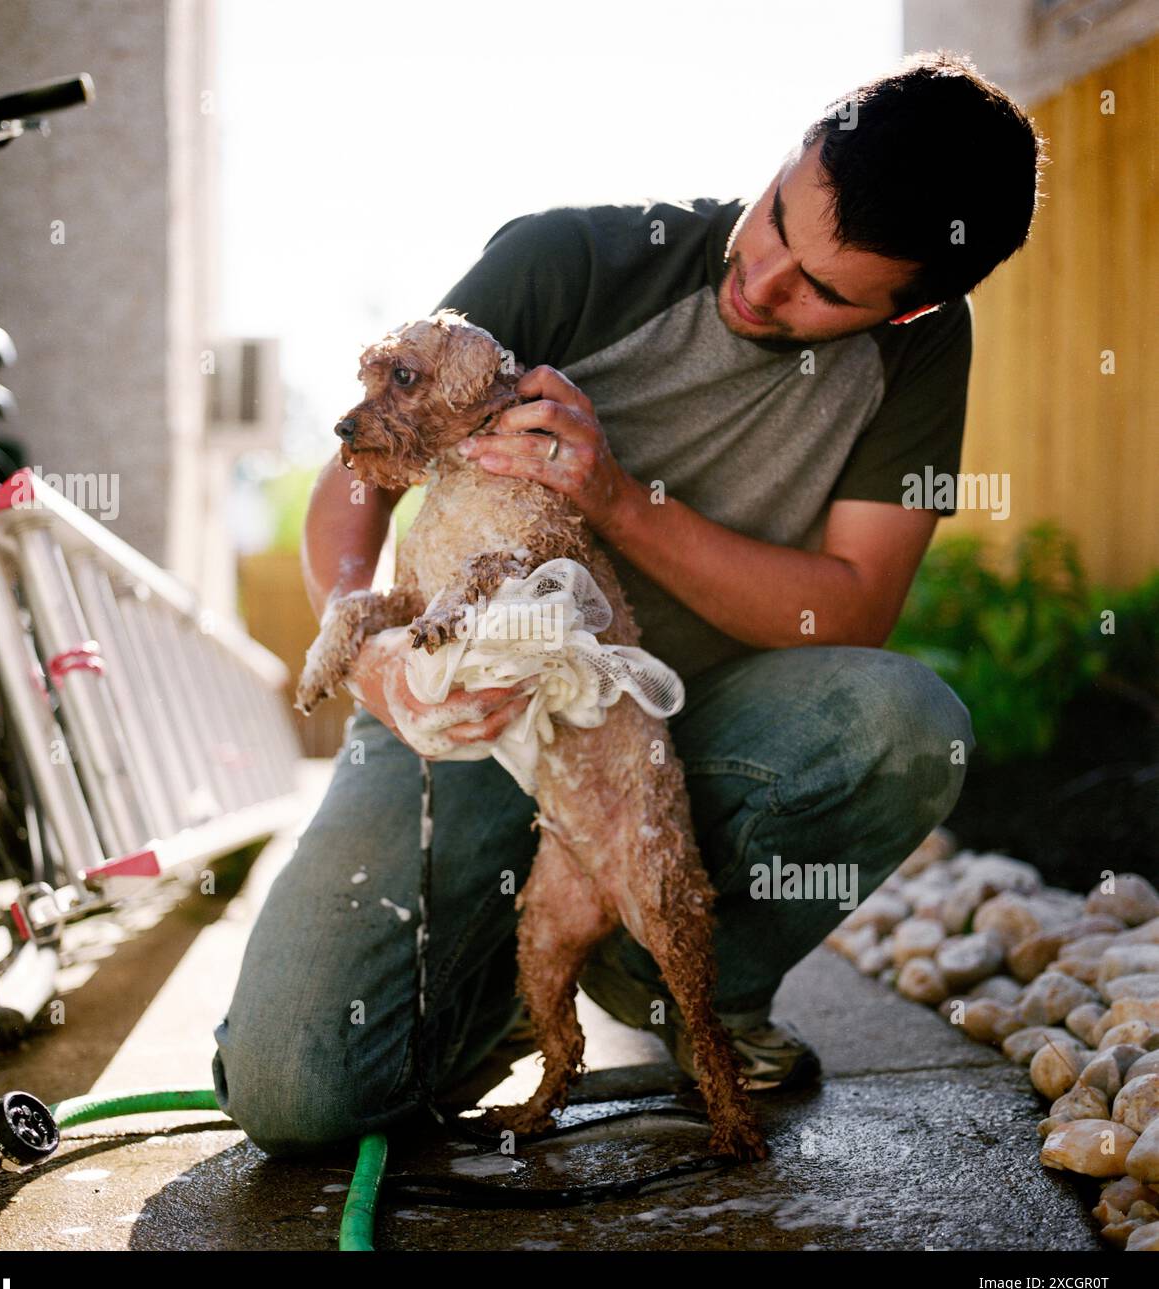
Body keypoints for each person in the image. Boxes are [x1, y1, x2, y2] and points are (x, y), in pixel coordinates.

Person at [212, 51, 1043, 1152]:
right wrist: (369, 653)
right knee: (296, 1098)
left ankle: (666, 978)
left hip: (678, 722)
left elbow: (847, 609)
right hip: (468, 707)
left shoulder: (925, 350)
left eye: (822, 289)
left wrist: (615, 497)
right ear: (795, 151)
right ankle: (521, 979)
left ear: (910, 306)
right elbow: (359, 472)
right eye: (776, 220)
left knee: (907, 726)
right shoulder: (567, 261)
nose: (763, 279)